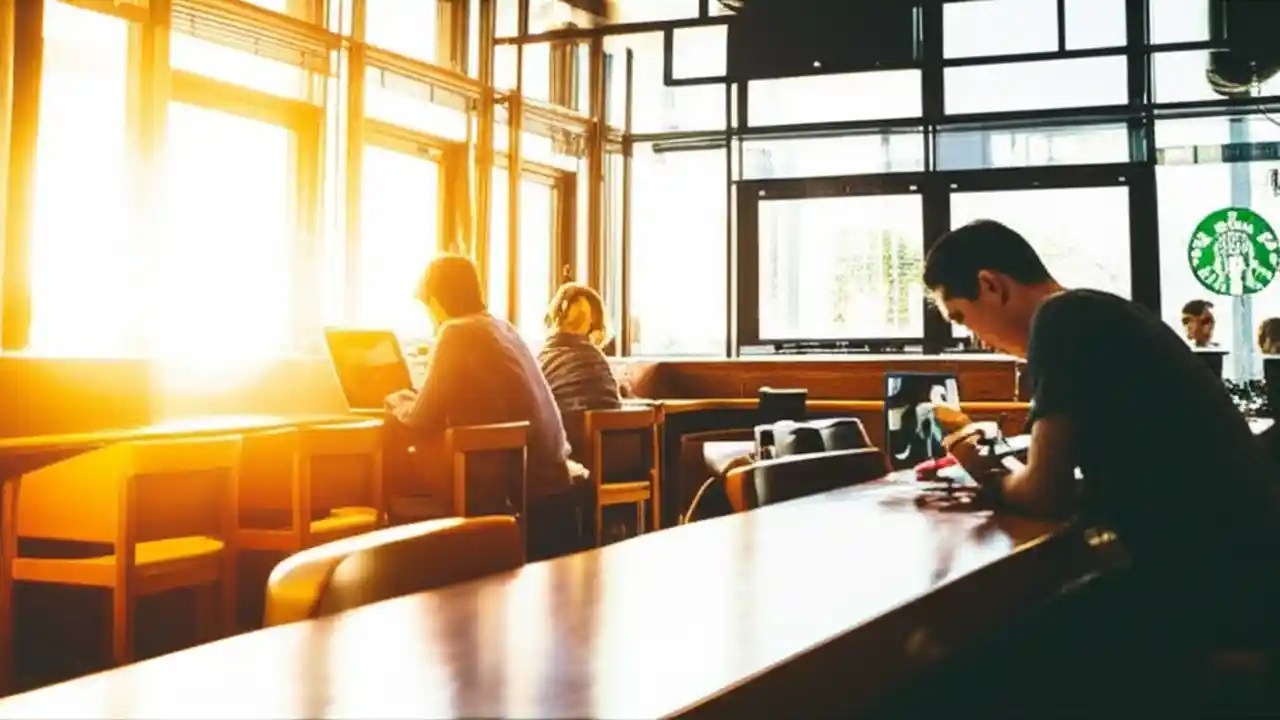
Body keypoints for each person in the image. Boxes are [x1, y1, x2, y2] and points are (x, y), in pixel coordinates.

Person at [922, 219, 1279, 711]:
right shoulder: (1102, 312)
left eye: (963, 318)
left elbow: (1047, 494)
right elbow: (1142, 468)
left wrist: (989, 478)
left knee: (953, 664)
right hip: (1243, 575)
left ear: (991, 285)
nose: (976, 339)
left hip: (1208, 593)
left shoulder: (1059, 320)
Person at [383, 254, 577, 557]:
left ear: (435, 301)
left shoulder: (455, 331)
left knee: (403, 449)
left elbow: (423, 417)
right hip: (551, 479)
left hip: (515, 488)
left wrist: (397, 401)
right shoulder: (503, 328)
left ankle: (400, 558)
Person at [538, 282, 622, 460]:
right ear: (594, 325)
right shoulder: (597, 359)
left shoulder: (543, 360)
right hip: (614, 453)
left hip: (568, 454)